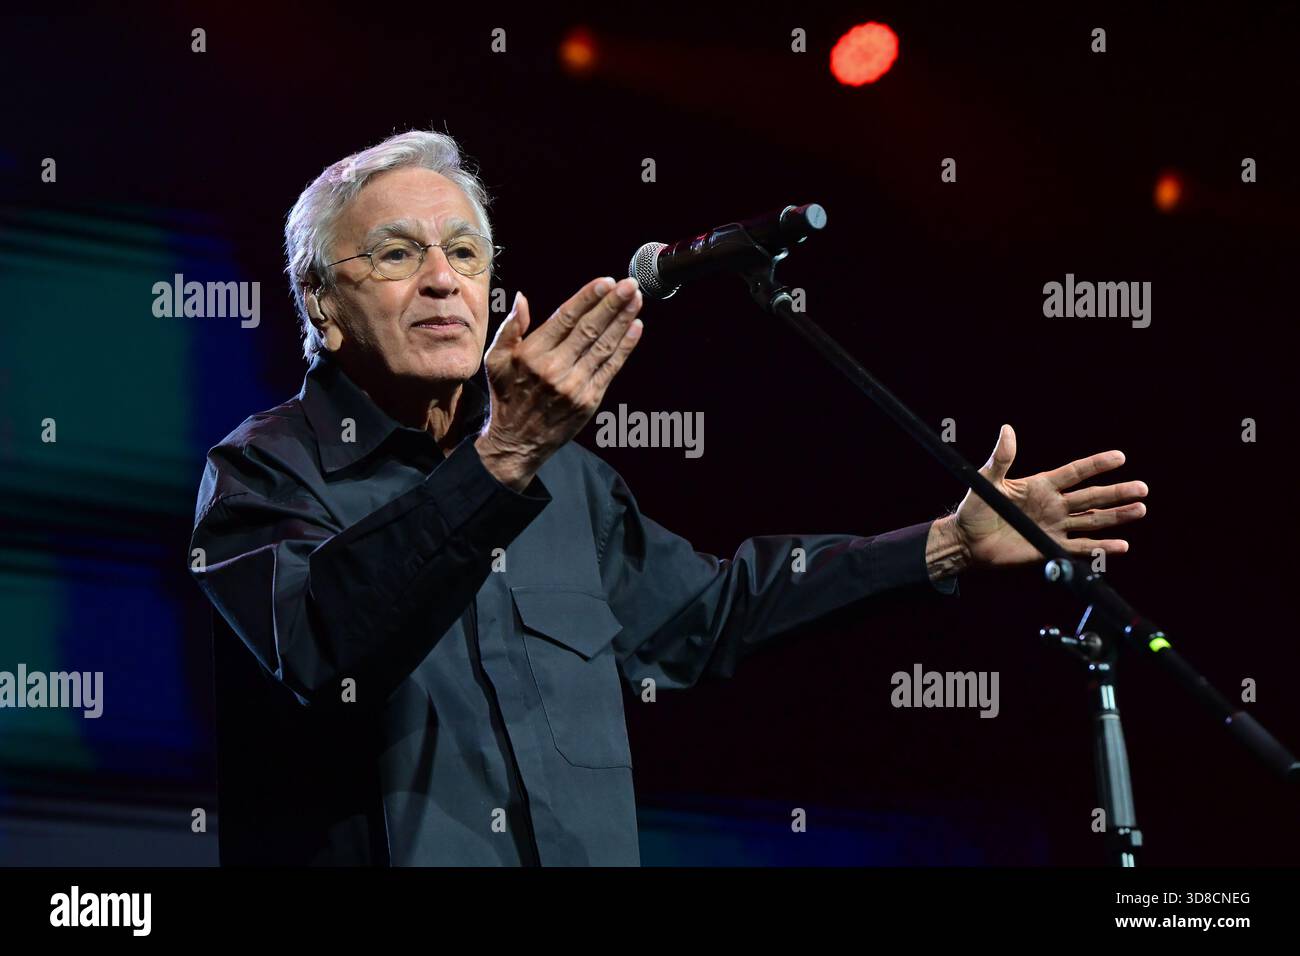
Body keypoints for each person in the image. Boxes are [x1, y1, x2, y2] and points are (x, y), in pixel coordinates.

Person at [188, 129, 1149, 865]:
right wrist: (507, 453)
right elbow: (324, 646)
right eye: (397, 256)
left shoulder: (565, 480)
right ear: (319, 300)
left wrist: (941, 545)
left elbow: (713, 615)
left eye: (467, 256)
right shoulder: (265, 472)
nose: (443, 281)